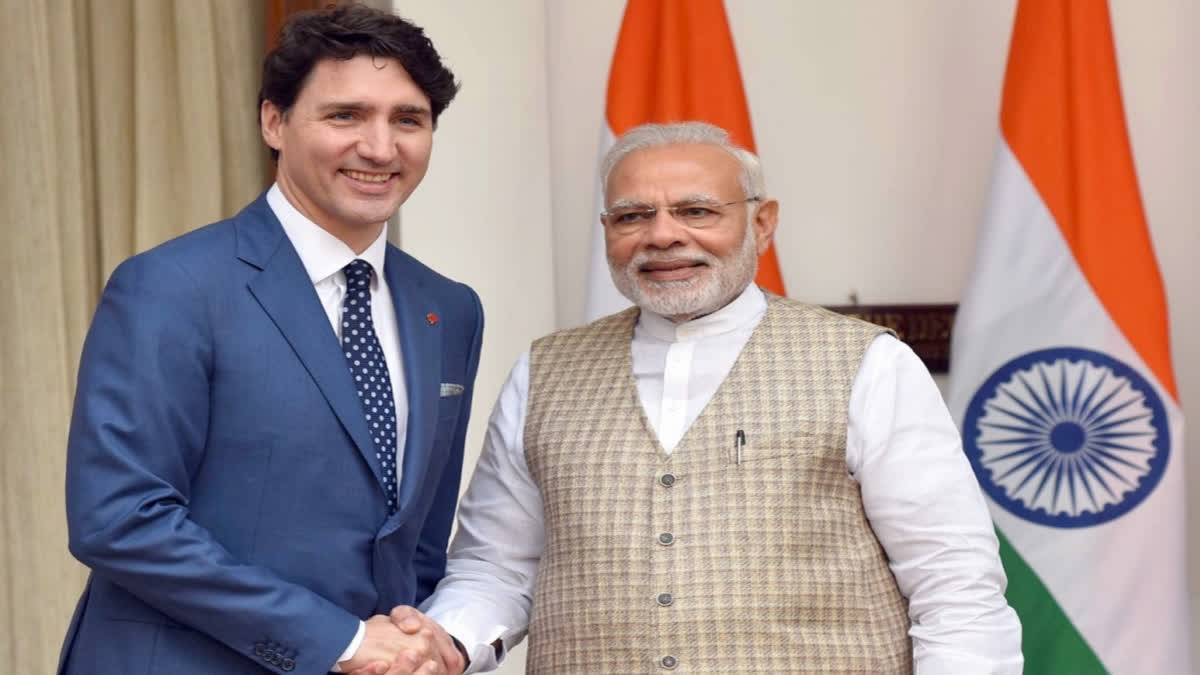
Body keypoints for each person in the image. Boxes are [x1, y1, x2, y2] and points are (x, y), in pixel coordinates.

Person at [415, 121, 1023, 673]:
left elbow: (954, 584)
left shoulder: (867, 363)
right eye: (632, 216)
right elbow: (497, 566)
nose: (662, 236)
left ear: (762, 223)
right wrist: (442, 644)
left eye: (697, 211)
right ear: (607, 231)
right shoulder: (544, 370)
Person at [58, 5, 480, 674]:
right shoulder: (170, 286)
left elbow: (416, 540)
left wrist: (414, 645)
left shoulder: (449, 309)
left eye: (409, 119)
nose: (379, 147)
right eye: (345, 115)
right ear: (274, 121)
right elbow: (120, 517)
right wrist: (337, 639)